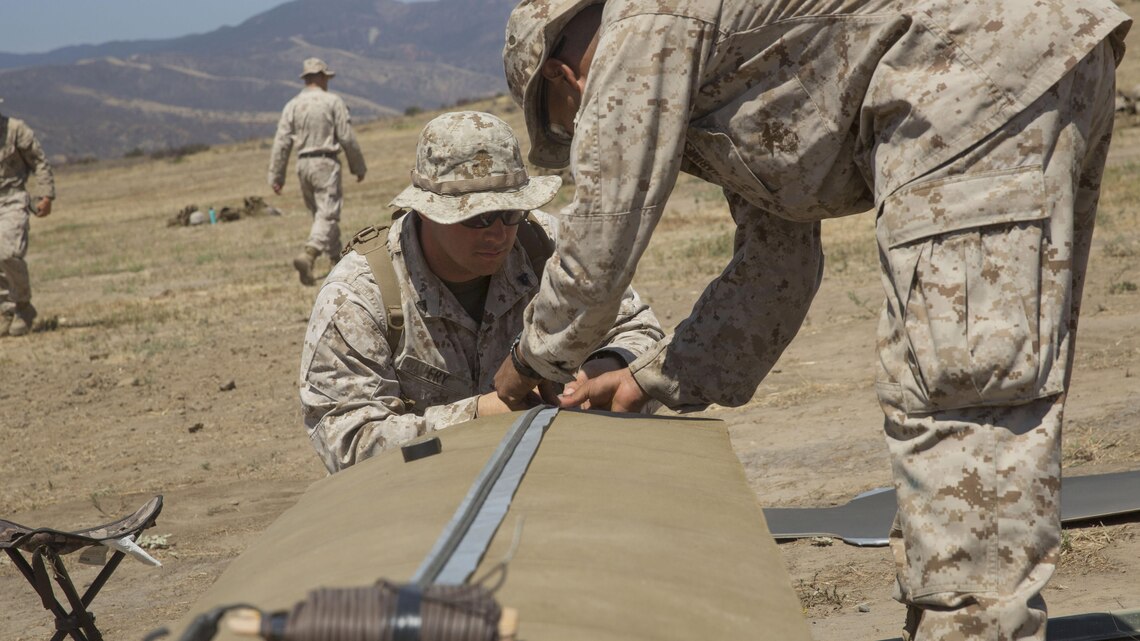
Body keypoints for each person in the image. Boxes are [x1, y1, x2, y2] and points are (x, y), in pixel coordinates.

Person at [495, 1, 1131, 640]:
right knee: (991, 374)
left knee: (964, 390)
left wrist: (529, 363)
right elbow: (777, 267)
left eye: (571, 123)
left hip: (974, 67)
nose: (587, 123)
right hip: (1036, 57)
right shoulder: (728, 56)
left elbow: (601, 239)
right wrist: (650, 380)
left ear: (562, 77)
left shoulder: (640, 25)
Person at [299, 111, 663, 474]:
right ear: (426, 212)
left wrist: (606, 370)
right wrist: (476, 417)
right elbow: (348, 442)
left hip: (554, 475)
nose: (499, 234)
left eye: (511, 212)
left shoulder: (547, 248)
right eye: (477, 218)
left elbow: (640, 332)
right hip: (423, 493)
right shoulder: (359, 296)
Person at [268, 57, 367, 286]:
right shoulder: (332, 101)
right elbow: (346, 137)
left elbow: (281, 142)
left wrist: (276, 176)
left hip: (302, 164)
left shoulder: (292, 105)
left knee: (321, 215)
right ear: (321, 77)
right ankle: (309, 255)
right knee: (328, 214)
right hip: (325, 162)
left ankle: (336, 260)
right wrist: (358, 167)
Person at [0, 98, 55, 338]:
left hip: (12, 198)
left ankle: (23, 305)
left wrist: (46, 195)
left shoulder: (16, 129)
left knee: (7, 253)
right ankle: (6, 309)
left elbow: (39, 161)